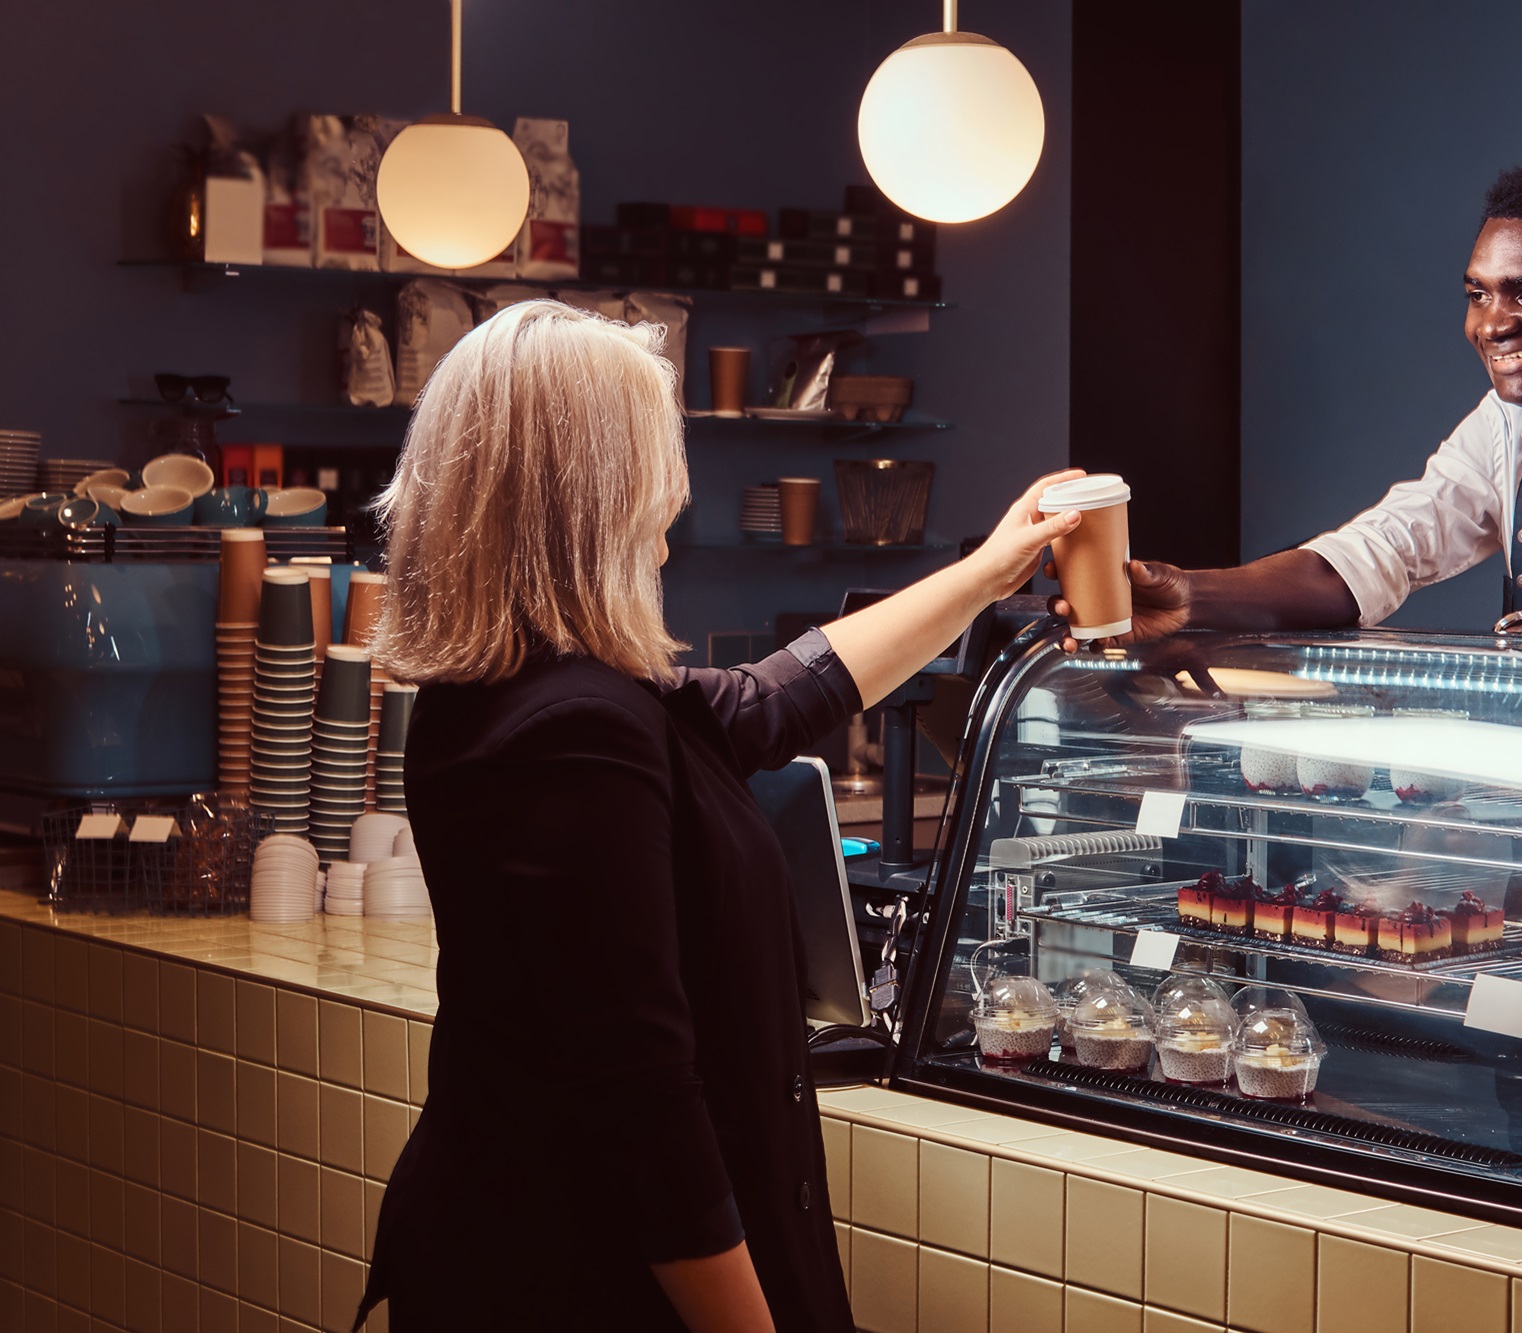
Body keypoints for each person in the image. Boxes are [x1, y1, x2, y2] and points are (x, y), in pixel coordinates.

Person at [353, 299, 1082, 1332]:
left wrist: (981, 576)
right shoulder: (574, 729)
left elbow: (779, 696)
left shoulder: (516, 690)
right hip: (578, 1282)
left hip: (508, 1248)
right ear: (586, 498)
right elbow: (637, 1100)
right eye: (651, 481)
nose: (665, 522)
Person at [1056, 157, 1522, 647]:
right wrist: (1193, 595)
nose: (1493, 323)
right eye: (1478, 294)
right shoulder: (1503, 429)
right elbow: (1380, 552)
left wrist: (1511, 663)